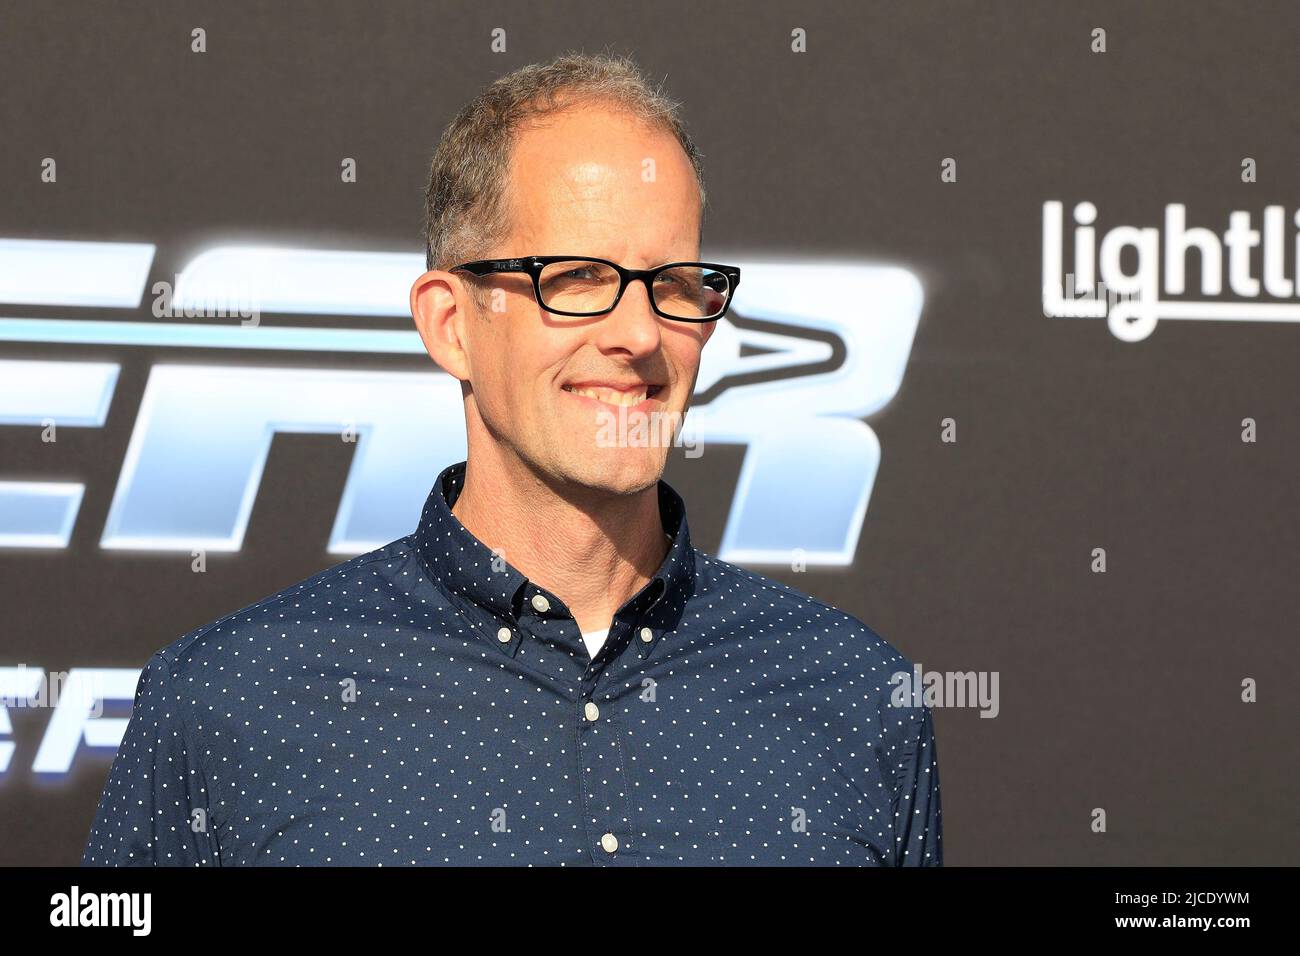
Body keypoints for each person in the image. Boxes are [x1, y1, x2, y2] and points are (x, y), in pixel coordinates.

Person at [83, 51, 941, 866]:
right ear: (451, 324)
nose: (641, 335)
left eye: (677, 283)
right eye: (575, 278)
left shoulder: (856, 694)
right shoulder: (230, 701)